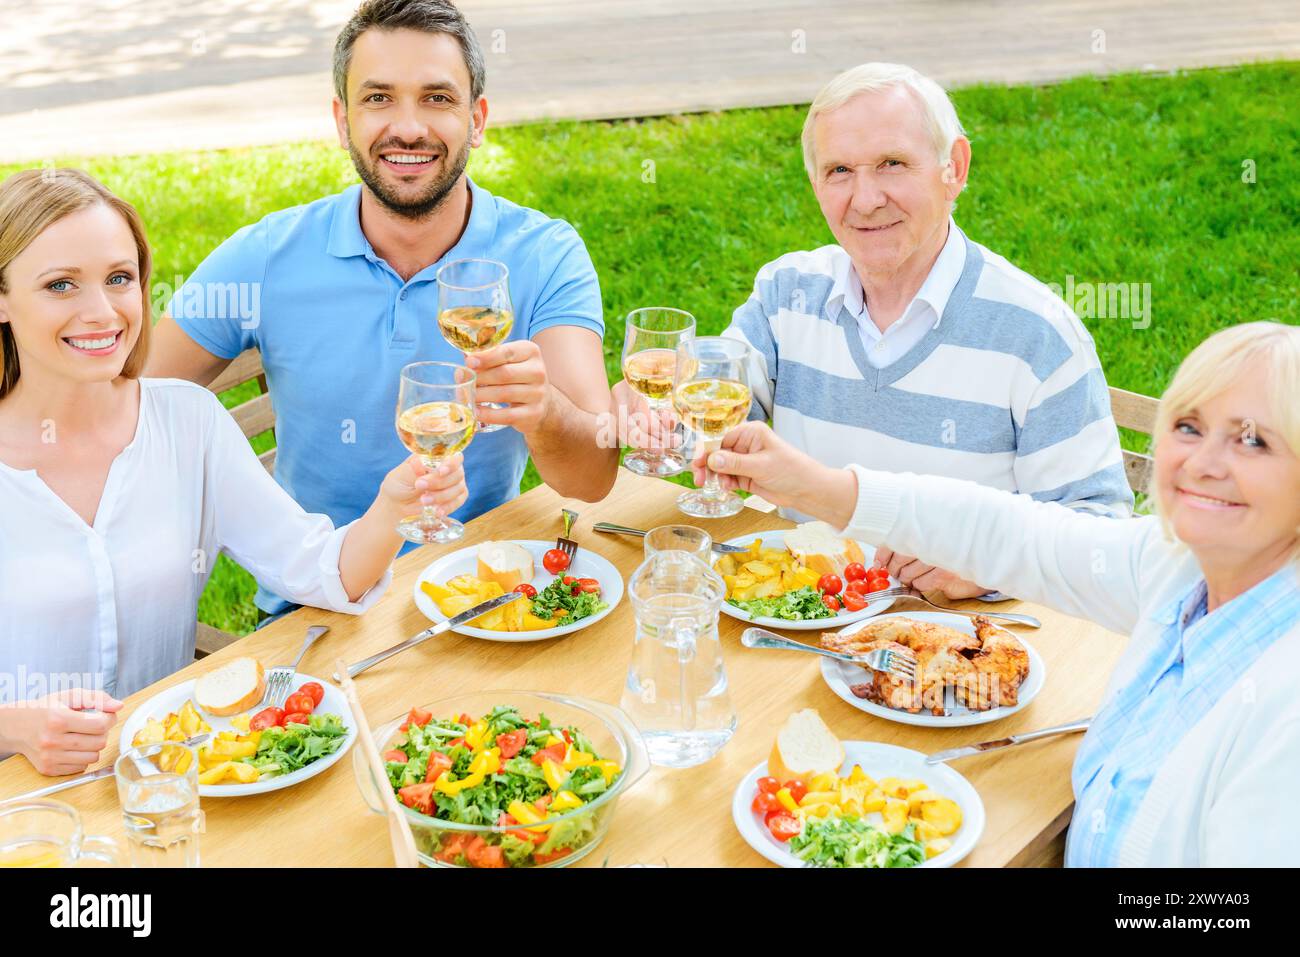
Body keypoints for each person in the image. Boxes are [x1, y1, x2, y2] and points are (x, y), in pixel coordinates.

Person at [696, 321, 1300, 866]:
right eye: (1189, 426)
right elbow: (1014, 534)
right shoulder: (1180, 569)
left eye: (1254, 442)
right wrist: (821, 486)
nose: (1203, 464)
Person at [146, 0, 617, 621]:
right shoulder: (267, 256)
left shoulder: (543, 254)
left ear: (476, 119)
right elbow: (131, 404)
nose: (409, 127)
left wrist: (547, 411)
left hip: (482, 593)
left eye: (437, 98)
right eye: (378, 99)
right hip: (314, 610)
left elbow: (593, 479)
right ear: (342, 120)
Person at [0, 168, 467, 775]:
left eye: (120, 278)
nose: (102, 311)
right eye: (61, 285)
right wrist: (17, 727)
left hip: (171, 779)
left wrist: (391, 509)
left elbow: (313, 569)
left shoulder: (186, 420)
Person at [617, 62, 1133, 599]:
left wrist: (987, 566)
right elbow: (712, 422)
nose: (865, 200)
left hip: (946, 644)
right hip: (794, 613)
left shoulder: (1036, 332)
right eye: (839, 170)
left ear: (953, 167)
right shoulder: (786, 294)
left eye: (892, 163)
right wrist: (655, 417)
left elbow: (1103, 542)